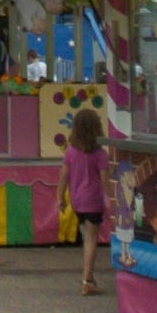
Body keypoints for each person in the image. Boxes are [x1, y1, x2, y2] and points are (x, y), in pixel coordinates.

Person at [62, 108, 109, 295]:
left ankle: (90, 278)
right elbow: (105, 178)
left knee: (86, 238)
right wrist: (112, 198)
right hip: (94, 201)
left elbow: (63, 176)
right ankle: (87, 280)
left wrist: (59, 198)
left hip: (77, 201)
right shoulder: (100, 154)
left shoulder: (70, 151)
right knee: (91, 240)